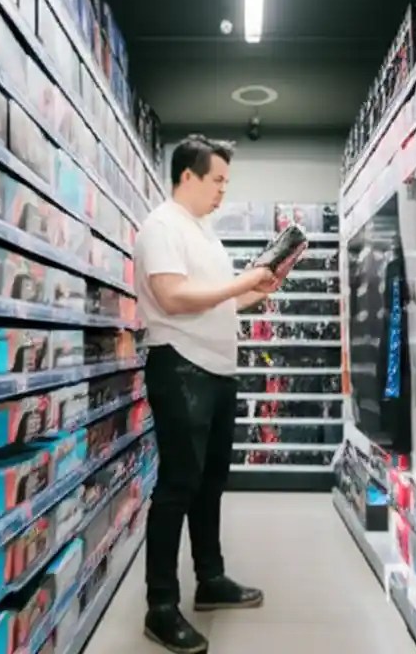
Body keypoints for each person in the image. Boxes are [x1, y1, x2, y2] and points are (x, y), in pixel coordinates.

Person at [134, 134, 279, 653]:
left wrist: (249, 295)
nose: (223, 190)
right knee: (177, 484)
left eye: (226, 182)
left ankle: (210, 579)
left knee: (209, 482)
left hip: (216, 372)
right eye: (217, 179)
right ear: (187, 176)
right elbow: (172, 298)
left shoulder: (204, 234)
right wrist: (240, 285)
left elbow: (210, 304)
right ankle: (161, 605)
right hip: (181, 368)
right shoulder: (162, 226)